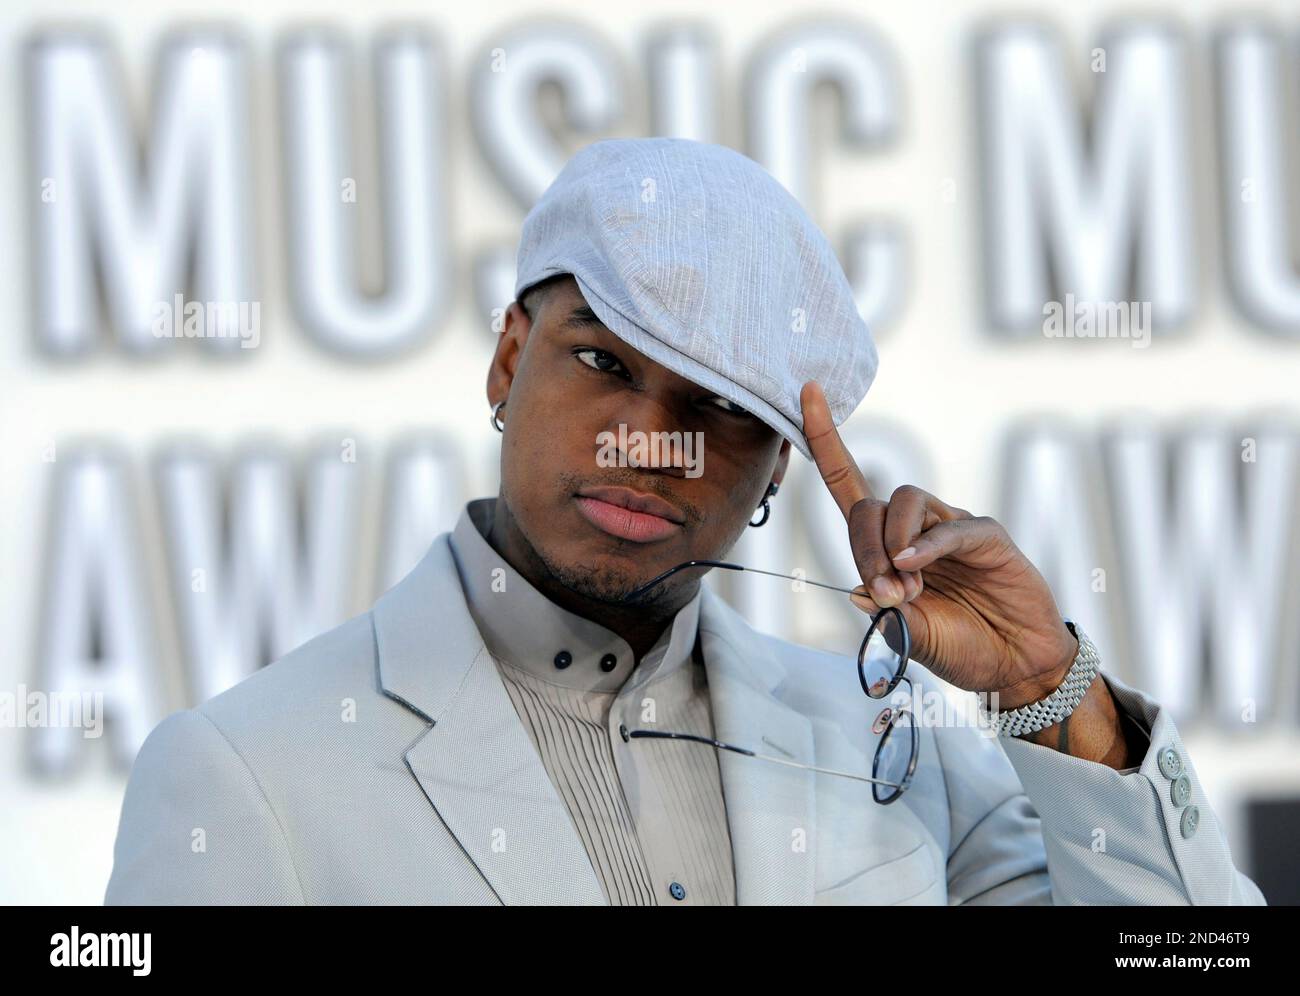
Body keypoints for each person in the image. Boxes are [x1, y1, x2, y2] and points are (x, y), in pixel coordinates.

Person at [105, 137, 1264, 905]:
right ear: (510, 357)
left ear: (778, 469)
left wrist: (1050, 690)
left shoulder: (891, 756)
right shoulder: (248, 771)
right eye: (601, 360)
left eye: (718, 409)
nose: (646, 443)